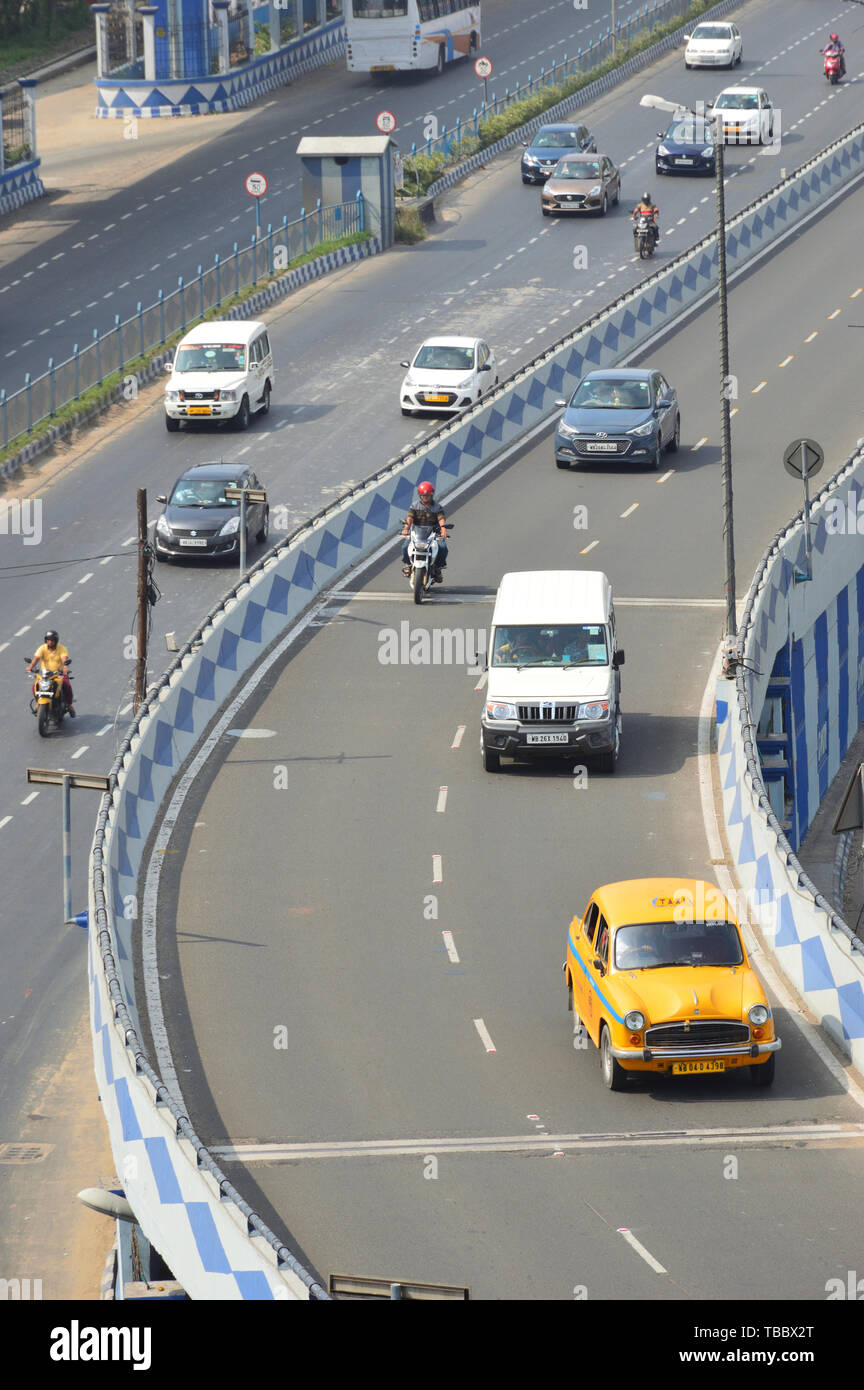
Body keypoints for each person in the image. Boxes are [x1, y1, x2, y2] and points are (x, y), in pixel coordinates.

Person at [401, 481, 449, 582]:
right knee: (405, 546)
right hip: (417, 533)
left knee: (443, 548)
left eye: (427, 496)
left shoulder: (437, 507)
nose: (425, 498)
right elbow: (410, 518)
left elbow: (441, 519)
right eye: (423, 496)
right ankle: (408, 565)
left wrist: (443, 529)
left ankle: (438, 568)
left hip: (433, 533)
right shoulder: (414, 505)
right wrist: (406, 528)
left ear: (431, 495)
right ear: (420, 496)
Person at [27, 629, 74, 715]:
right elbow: (35, 659)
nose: (50, 642)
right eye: (48, 639)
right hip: (45, 674)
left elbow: (64, 659)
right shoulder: (42, 648)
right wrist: (30, 666)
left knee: (67, 685)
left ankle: (69, 705)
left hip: (58, 673)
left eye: (52, 640)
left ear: (56, 641)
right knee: (35, 687)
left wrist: (65, 668)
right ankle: (38, 702)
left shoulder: (61, 649)